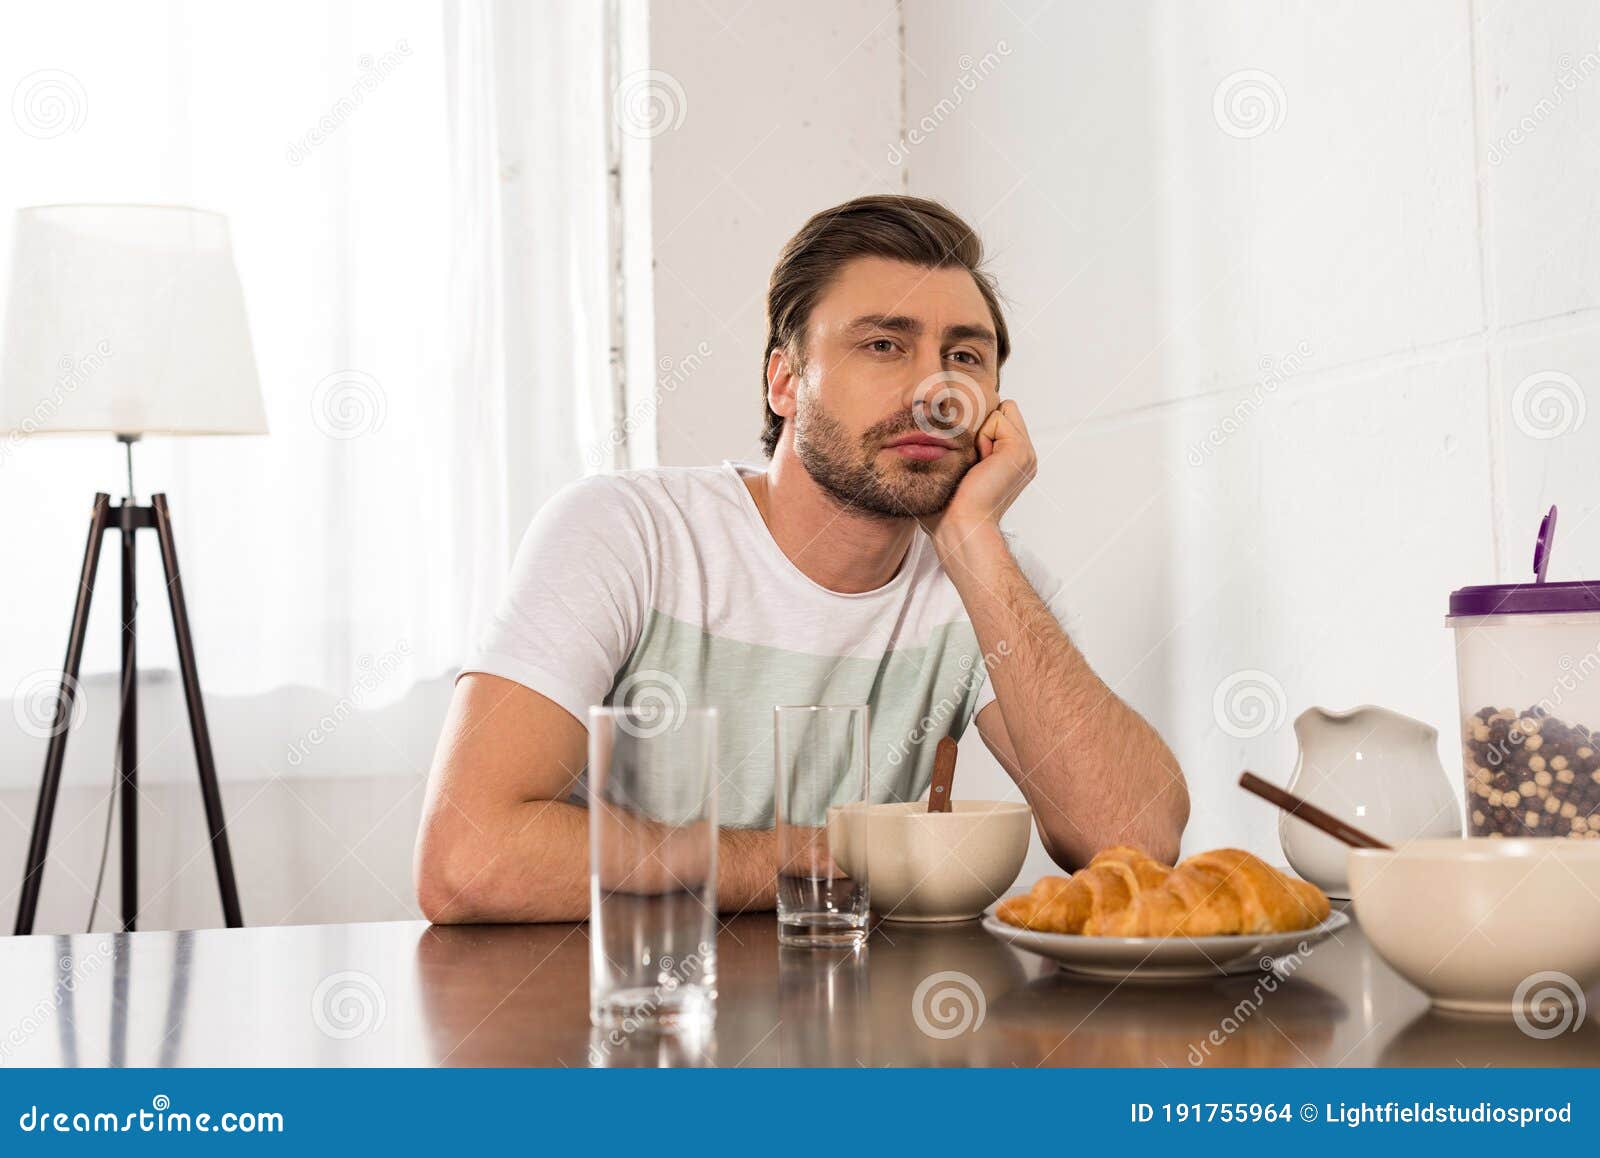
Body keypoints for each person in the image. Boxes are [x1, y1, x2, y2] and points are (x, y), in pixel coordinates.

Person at [415, 194, 1188, 923]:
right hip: (626, 1030)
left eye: (965, 356)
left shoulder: (984, 578)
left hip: (852, 1038)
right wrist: (792, 861)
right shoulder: (625, 532)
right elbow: (468, 857)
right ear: (784, 381)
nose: (936, 392)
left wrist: (975, 546)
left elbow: (1136, 844)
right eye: (885, 345)